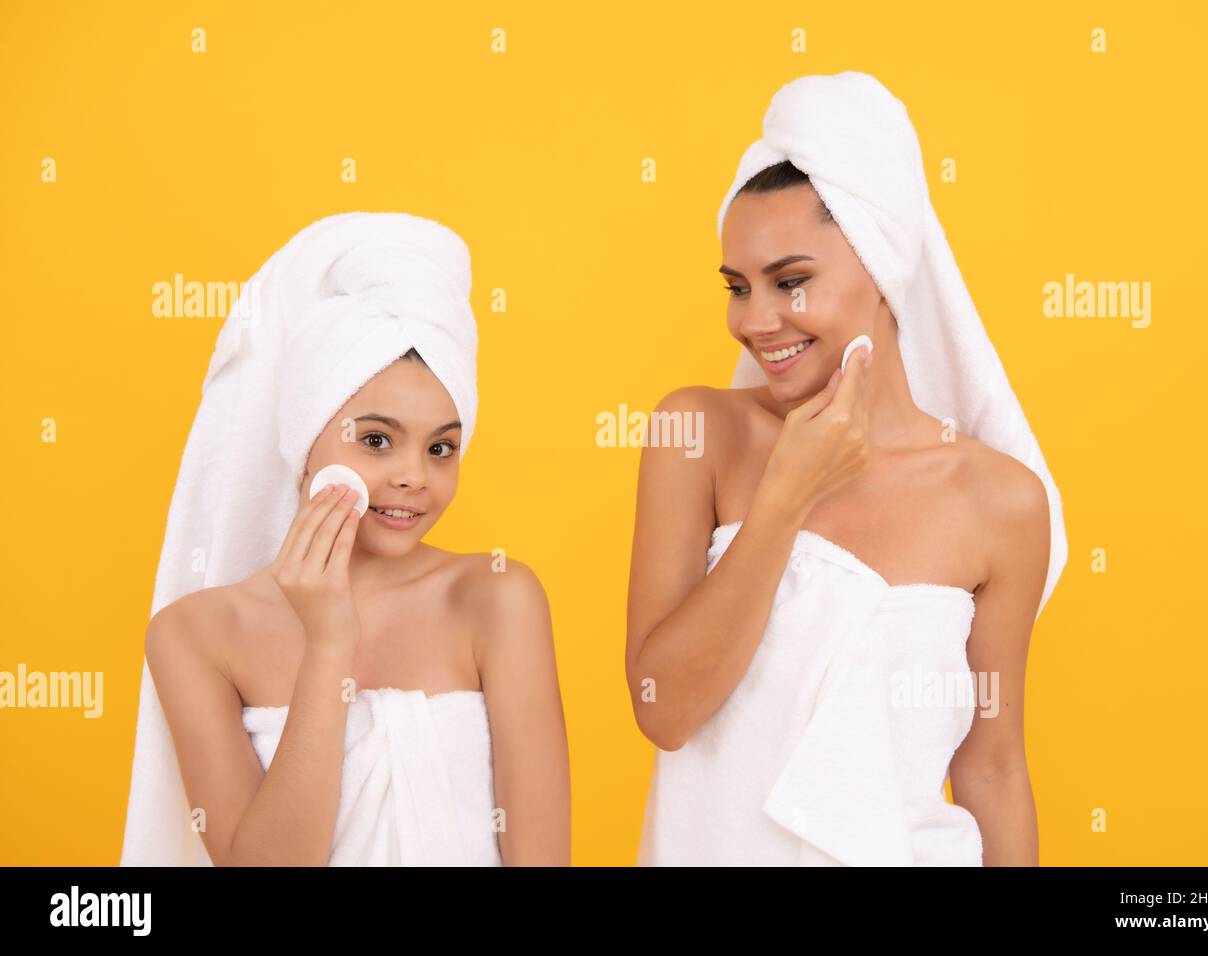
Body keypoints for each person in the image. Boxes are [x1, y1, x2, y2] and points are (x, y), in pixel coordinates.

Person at [628, 73, 1067, 866]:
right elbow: (665, 709)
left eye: (791, 282)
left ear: (881, 269)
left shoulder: (1000, 503)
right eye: (738, 288)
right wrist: (788, 493)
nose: (755, 322)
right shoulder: (697, 433)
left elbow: (992, 768)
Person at [121, 212, 569, 866]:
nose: (414, 476)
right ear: (303, 439)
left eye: (442, 447)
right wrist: (330, 643)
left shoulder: (498, 599)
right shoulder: (195, 634)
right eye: (377, 440)